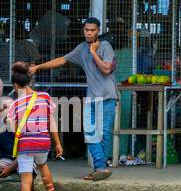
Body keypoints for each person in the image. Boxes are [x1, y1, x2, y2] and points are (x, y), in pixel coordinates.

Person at [31, 17, 117, 181]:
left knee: (104, 134)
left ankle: (100, 167)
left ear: (98, 31)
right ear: (83, 31)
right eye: (86, 30)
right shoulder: (81, 48)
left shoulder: (105, 46)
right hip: (92, 97)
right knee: (90, 132)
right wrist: (38, 67)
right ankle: (101, 168)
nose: (89, 32)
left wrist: (93, 52)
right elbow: (62, 60)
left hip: (107, 97)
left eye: (92, 30)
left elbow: (106, 69)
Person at [7, 62, 64, 191]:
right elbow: (51, 121)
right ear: (30, 81)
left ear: (16, 85)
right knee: (43, 165)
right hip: (43, 142)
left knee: (26, 181)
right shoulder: (44, 97)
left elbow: (13, 127)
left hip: (25, 144)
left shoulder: (15, 104)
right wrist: (58, 143)